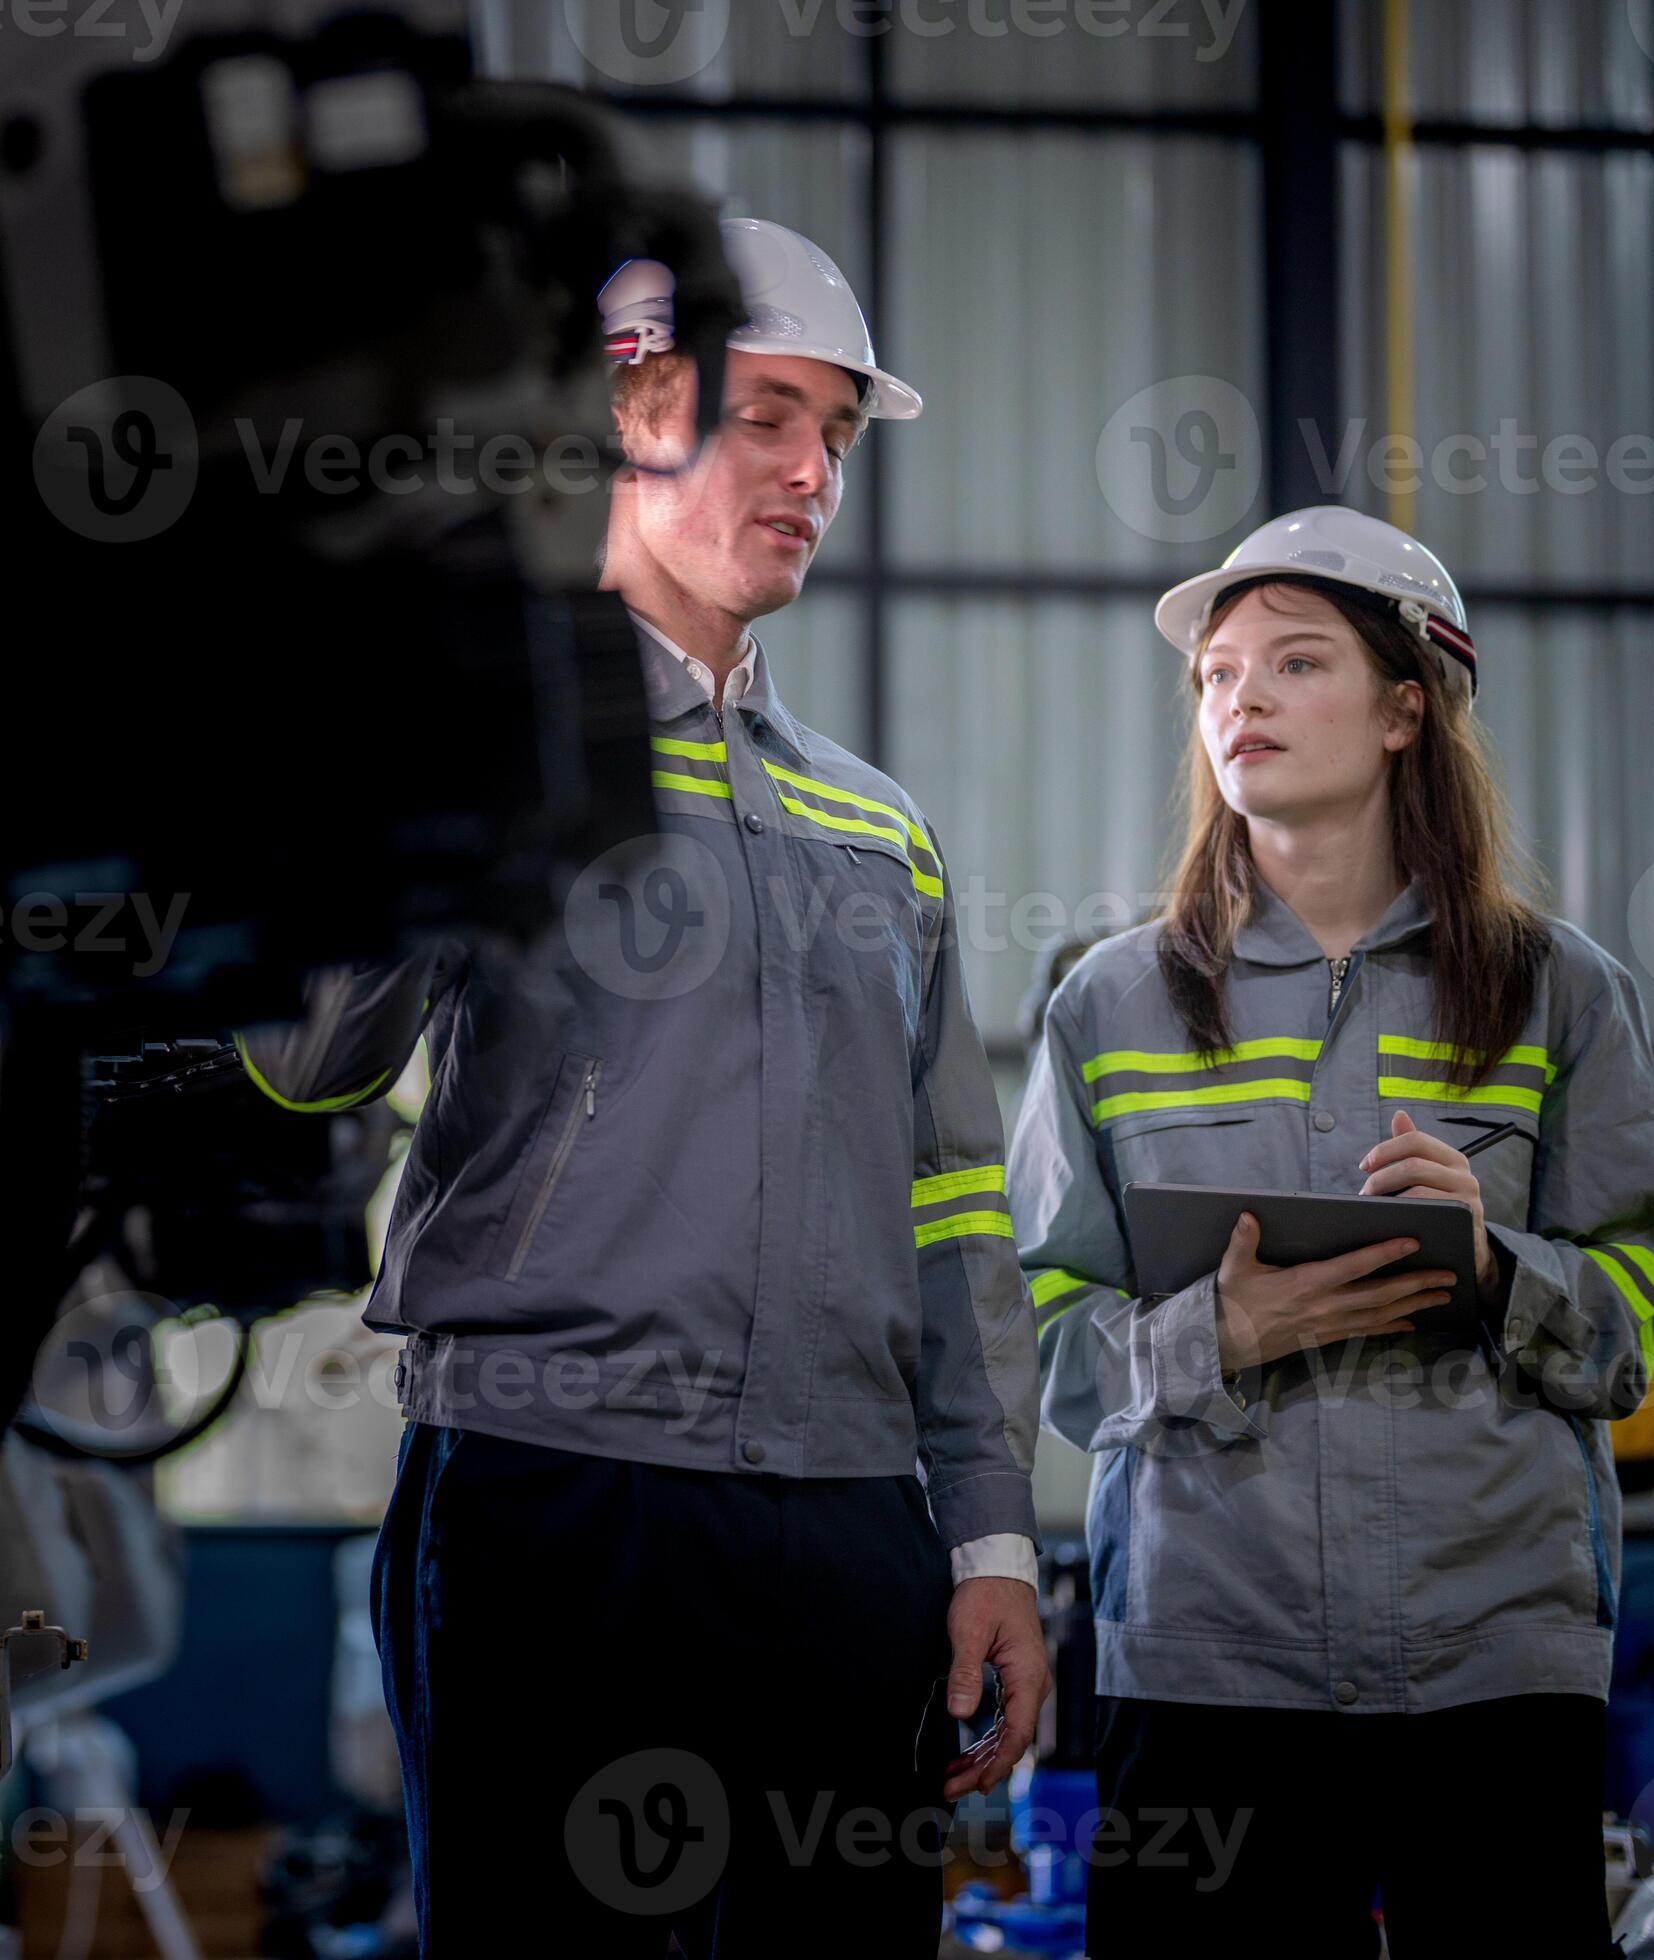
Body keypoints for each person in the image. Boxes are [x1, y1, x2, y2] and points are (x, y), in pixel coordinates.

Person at [235, 217, 1046, 1955]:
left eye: (835, 431)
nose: (814, 471)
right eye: (767, 417)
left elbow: (956, 1208)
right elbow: (308, 1060)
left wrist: (991, 1544)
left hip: (850, 1532)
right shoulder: (484, 746)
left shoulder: (875, 823)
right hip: (558, 1497)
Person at [1012, 506, 1654, 1957]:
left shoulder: (1555, 994)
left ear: (1408, 709)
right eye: (1216, 674)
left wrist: (1500, 1269)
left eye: (1294, 663)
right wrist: (1220, 1333)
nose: (1240, 701)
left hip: (1493, 1665)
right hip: (1210, 1663)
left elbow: (1651, 1290)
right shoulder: (1110, 1005)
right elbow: (1031, 1325)